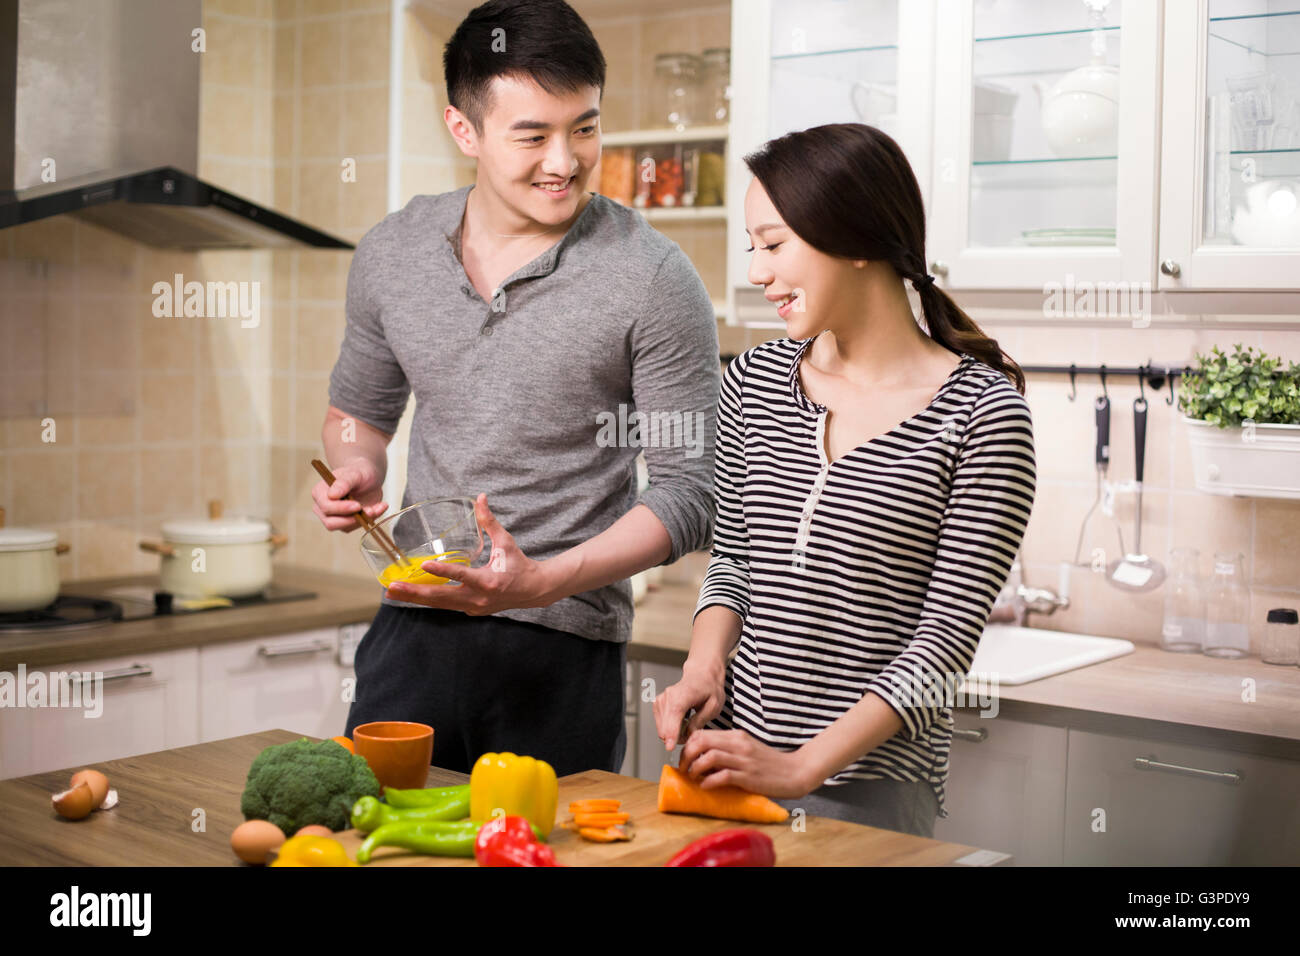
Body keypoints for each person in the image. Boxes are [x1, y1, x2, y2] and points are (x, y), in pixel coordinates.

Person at [315, 0, 720, 777]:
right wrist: (354, 467)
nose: (564, 161)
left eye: (585, 128)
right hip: (412, 631)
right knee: (377, 847)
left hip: (563, 650)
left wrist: (539, 581)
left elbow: (688, 494)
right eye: (532, 135)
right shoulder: (393, 253)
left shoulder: (654, 278)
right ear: (463, 130)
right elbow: (355, 418)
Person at [653, 123, 1036, 838]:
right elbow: (734, 562)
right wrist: (705, 666)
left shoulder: (983, 416)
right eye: (753, 249)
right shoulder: (753, 384)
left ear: (856, 240)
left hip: (870, 800)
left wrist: (801, 768)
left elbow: (943, 645)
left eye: (774, 245)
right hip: (732, 773)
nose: (758, 272)